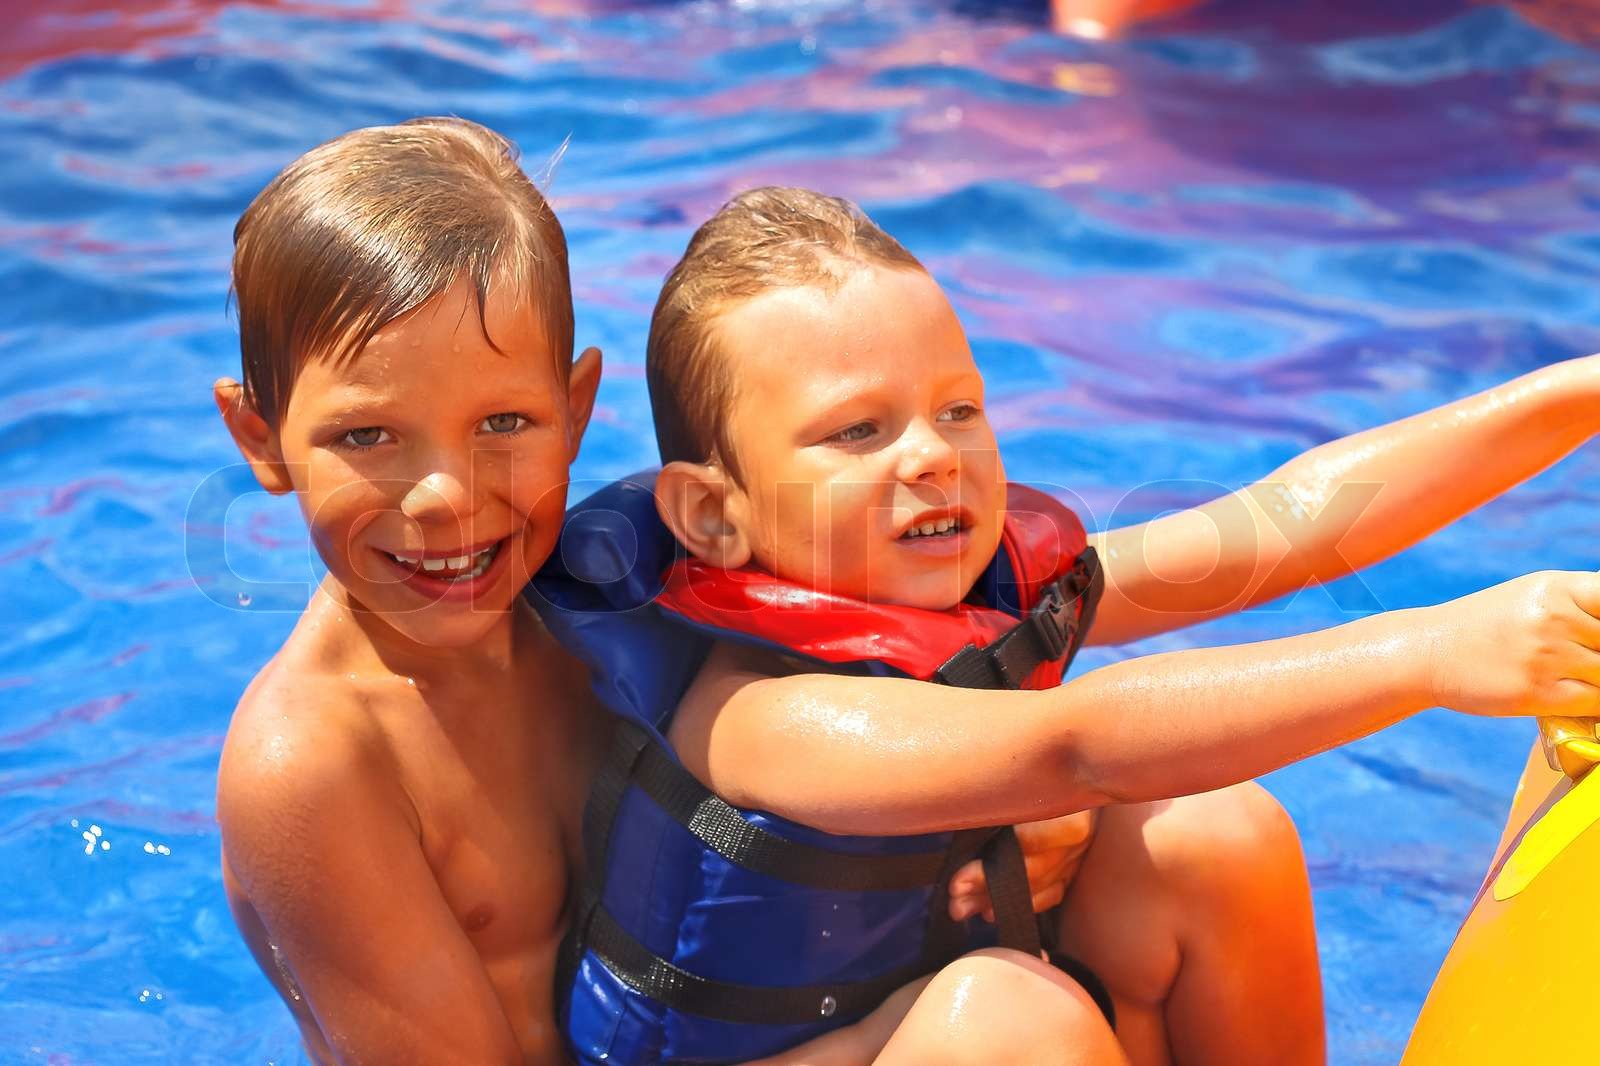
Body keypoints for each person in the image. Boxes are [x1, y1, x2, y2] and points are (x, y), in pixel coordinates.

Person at [544, 185, 1600, 1066]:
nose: (932, 454)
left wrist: (1578, 394)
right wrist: (1429, 652)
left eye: (957, 409)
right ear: (713, 515)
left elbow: (1286, 525)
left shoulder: (992, 600)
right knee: (1007, 1020)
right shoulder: (762, 718)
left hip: (894, 1011)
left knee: (1209, 836)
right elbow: (1079, 744)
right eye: (857, 429)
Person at [213, 119, 1126, 1066]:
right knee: (1012, 1025)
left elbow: (911, 692)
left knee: (1190, 846)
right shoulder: (315, 766)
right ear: (258, 436)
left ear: (576, 410)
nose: (448, 497)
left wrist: (1013, 817)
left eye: (503, 422)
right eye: (366, 437)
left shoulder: (625, 594)